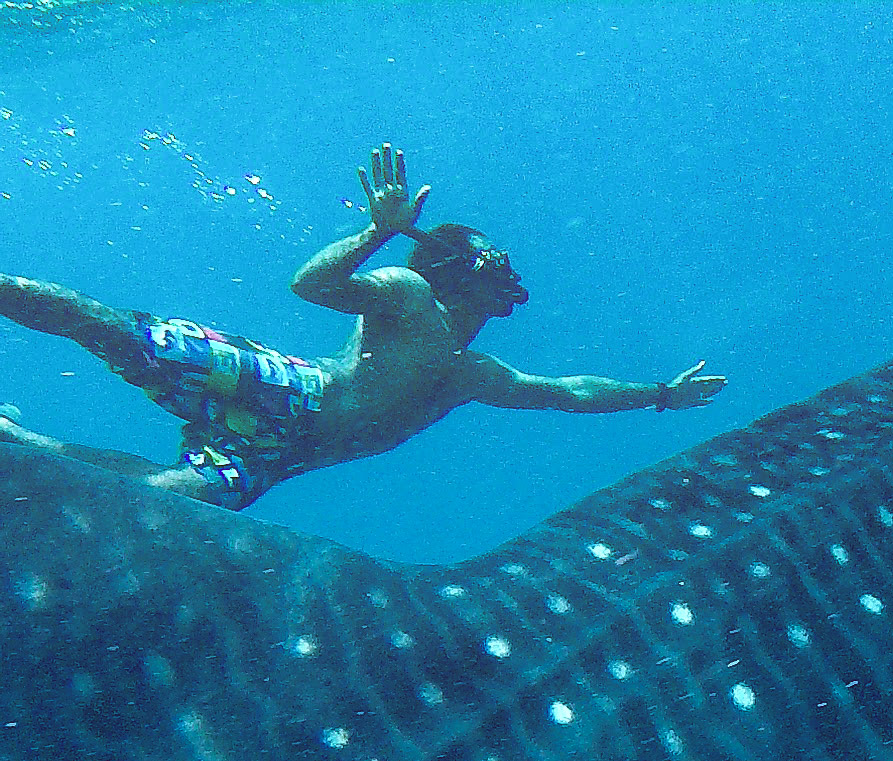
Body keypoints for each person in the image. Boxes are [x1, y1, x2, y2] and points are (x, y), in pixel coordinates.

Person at [0, 143, 724, 509]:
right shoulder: (407, 294)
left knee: (157, 501)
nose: (505, 274)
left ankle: (17, 444)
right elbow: (311, 285)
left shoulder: (473, 375)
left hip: (289, 453)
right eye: (491, 259)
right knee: (104, 327)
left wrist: (660, 393)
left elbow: (568, 391)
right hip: (282, 389)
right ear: (460, 268)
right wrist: (377, 233)